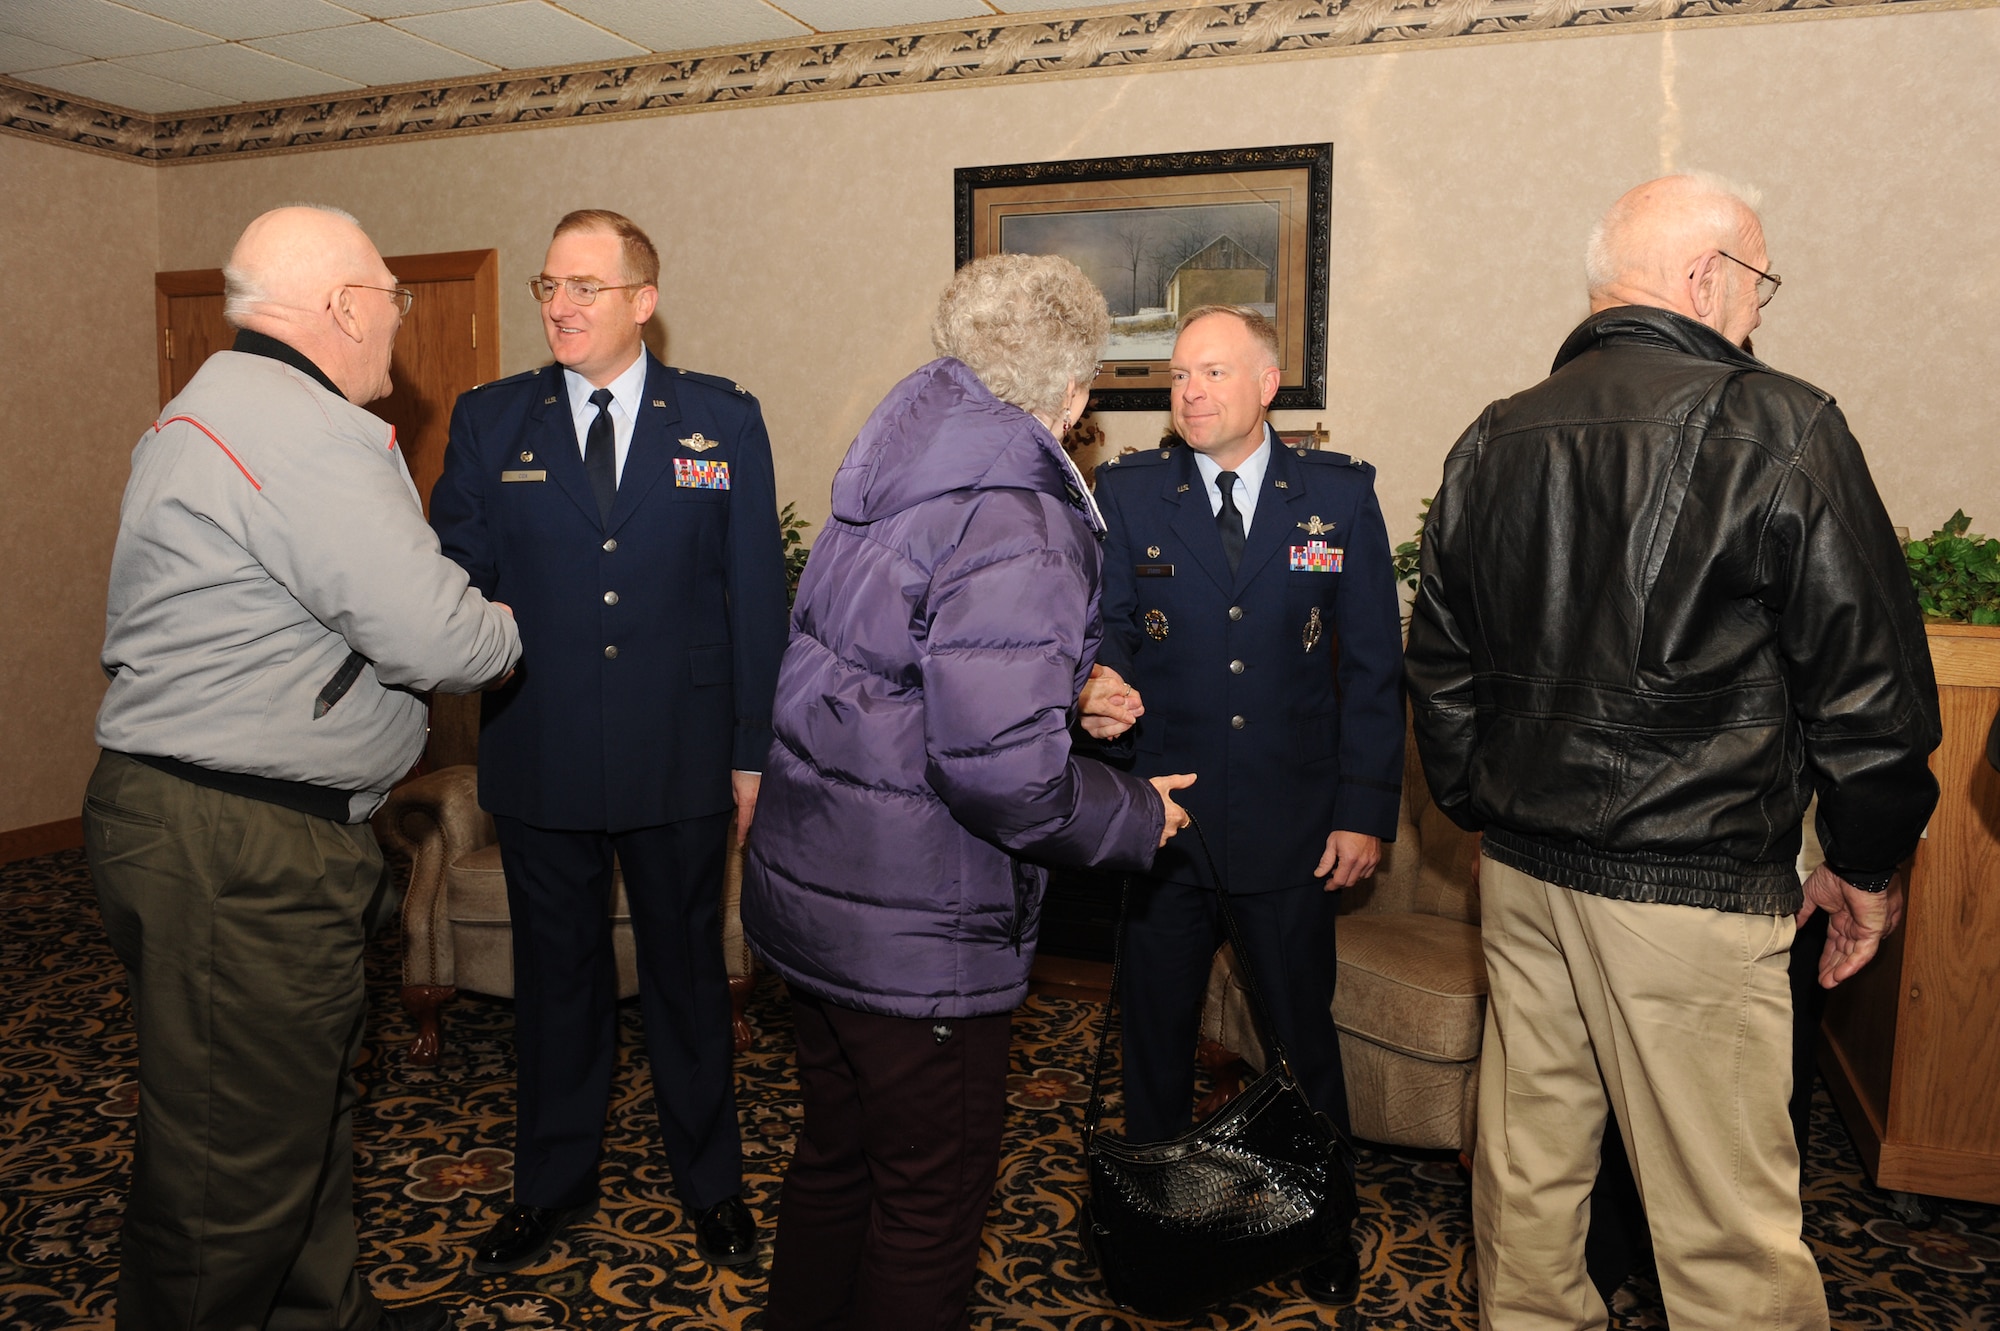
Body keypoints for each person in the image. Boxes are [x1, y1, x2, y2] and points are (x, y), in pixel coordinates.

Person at [1405, 173, 1943, 1330]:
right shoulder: (1777, 424)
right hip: (1688, 885)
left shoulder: (1493, 433)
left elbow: (1437, 666)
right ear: (1704, 277)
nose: (1758, 312)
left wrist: (1479, 804)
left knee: (1529, 1189)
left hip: (1522, 875)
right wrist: (1864, 862)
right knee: (1721, 1233)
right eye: (1759, 283)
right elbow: (1871, 691)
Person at [85, 205, 520, 1331]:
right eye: (393, 298)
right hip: (240, 843)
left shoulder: (215, 402)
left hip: (202, 822)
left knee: (299, 1118)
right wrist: (523, 622)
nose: (400, 322)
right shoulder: (303, 429)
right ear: (342, 307)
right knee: (228, 1180)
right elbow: (437, 638)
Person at [741, 253, 1193, 1331]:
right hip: (917, 925)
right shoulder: (1019, 512)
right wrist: (1139, 813)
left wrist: (1064, 688)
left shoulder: (899, 461)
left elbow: (902, 662)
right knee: (925, 1206)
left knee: (836, 1159)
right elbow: (999, 774)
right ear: (1073, 391)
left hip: (819, 893)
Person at [429, 210, 789, 1273]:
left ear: (643, 300)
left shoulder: (720, 419)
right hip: (539, 747)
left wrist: (753, 748)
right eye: (549, 285)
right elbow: (451, 576)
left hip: (681, 750)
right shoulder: (492, 419)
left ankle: (711, 1184)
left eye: (586, 286)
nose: (561, 304)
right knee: (557, 981)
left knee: (687, 976)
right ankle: (548, 1183)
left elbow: (754, 596)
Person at [1090, 304, 1407, 1305]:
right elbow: (1103, 628)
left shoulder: (1338, 497)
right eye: (1180, 375)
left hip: (1291, 825)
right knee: (1154, 1042)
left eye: (1213, 373)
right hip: (1165, 826)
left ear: (1268, 385)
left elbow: (1372, 669)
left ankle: (1321, 1224)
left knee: (1302, 1041)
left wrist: (1364, 810)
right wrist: (1095, 684)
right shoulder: (1129, 493)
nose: (1189, 392)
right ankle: (1157, 1229)